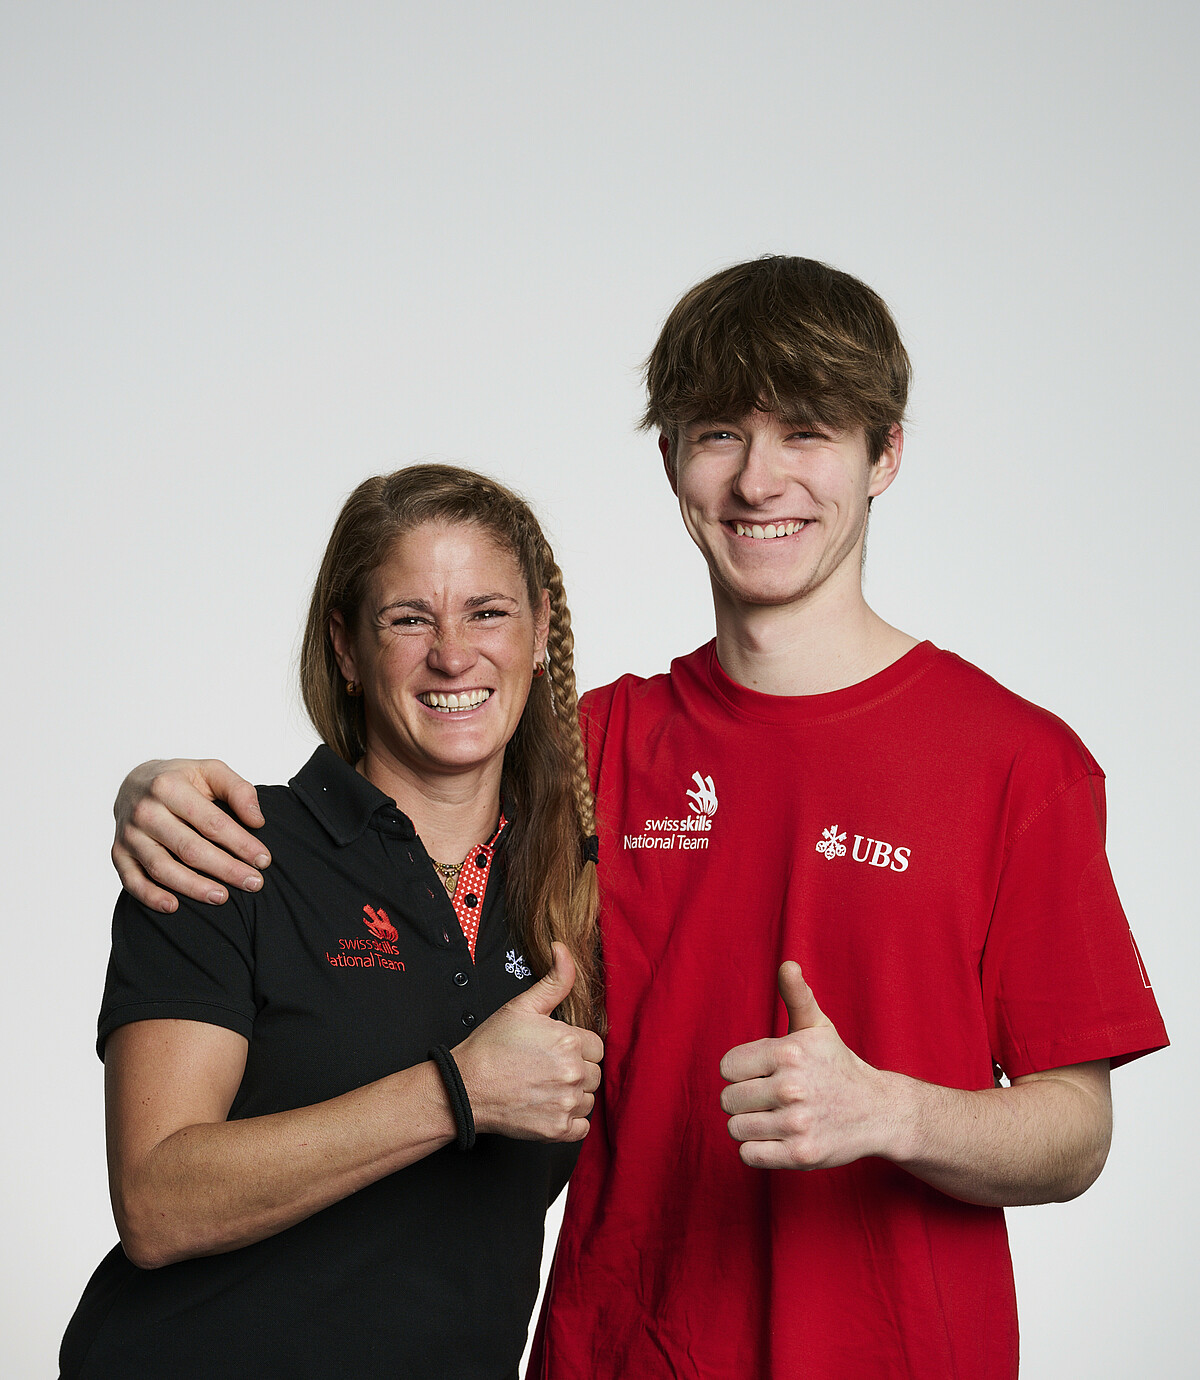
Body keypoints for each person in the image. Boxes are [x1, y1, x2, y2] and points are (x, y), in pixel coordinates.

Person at [109, 257, 1168, 1379]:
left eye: (807, 432)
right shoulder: (589, 751)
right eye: (719, 434)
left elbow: (1075, 1132)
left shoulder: (1018, 762)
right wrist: (154, 791)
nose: (759, 479)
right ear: (671, 461)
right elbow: (397, 787)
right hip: (622, 1353)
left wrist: (895, 1114)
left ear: (886, 454)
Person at [61, 465, 605, 1380]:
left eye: (487, 612)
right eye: (409, 620)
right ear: (346, 648)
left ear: (539, 630)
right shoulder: (225, 851)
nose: (453, 656)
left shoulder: (574, 890)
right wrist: (457, 1092)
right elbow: (155, 1203)